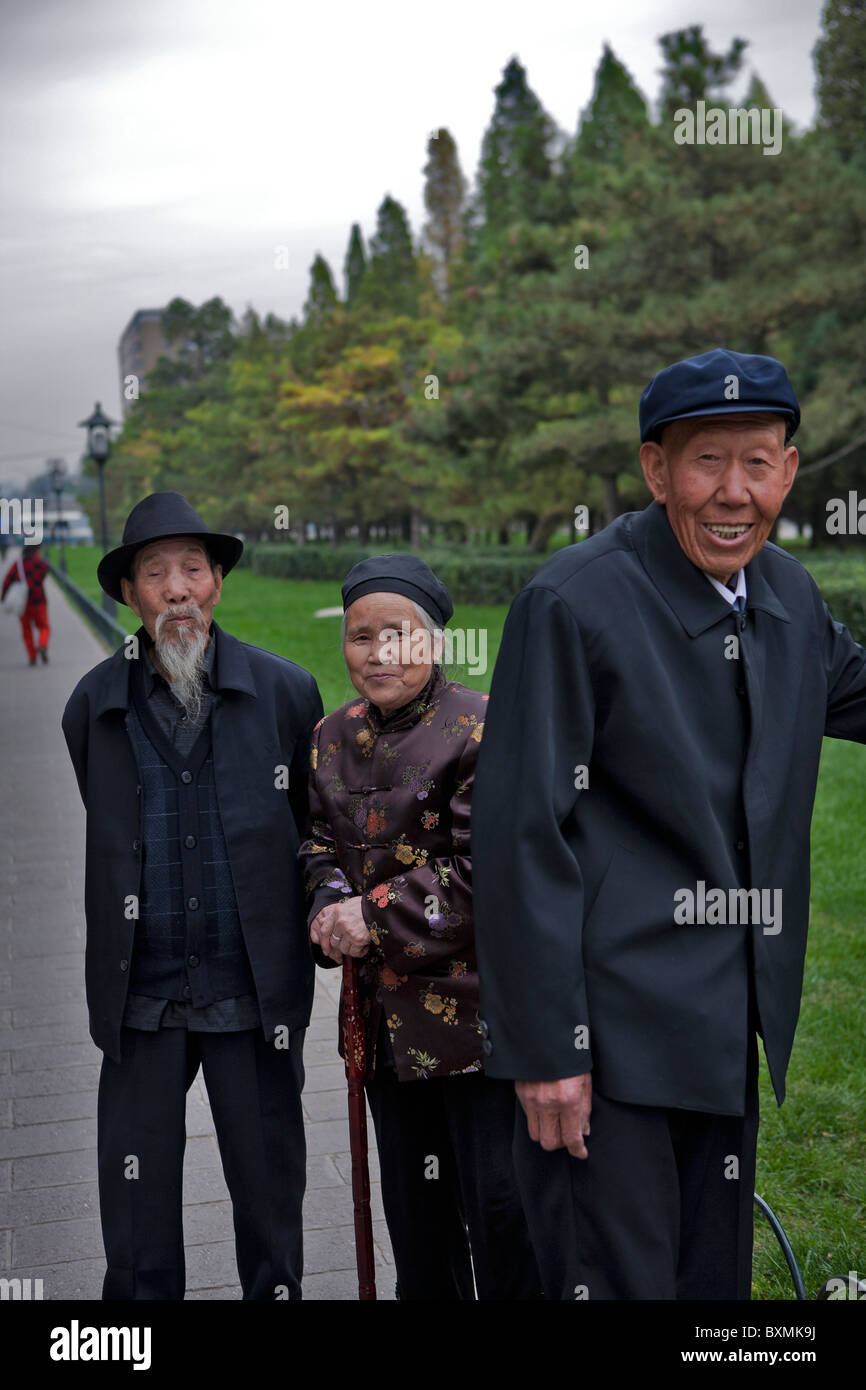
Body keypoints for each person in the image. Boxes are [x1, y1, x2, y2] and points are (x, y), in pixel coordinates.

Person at [471, 347, 866, 1300]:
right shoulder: (572, 602)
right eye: (706, 461)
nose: (736, 493)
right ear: (656, 470)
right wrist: (548, 1053)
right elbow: (521, 834)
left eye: (759, 462)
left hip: (726, 1032)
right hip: (609, 1047)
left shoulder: (790, 595)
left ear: (790, 469)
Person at [62, 491, 323, 1300]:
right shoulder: (92, 709)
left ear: (217, 583)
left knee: (271, 1205)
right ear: (131, 594)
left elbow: (311, 831)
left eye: (193, 568)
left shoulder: (286, 694)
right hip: (140, 998)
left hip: (251, 995)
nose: (177, 588)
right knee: (135, 1227)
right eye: (154, 572)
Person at [298, 554, 541, 1300]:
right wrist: (328, 908)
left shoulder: (482, 726)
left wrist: (369, 918)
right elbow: (314, 843)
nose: (379, 654)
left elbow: (486, 871)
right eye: (361, 637)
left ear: (434, 643)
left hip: (477, 1025)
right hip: (381, 1027)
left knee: (500, 1213)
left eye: (398, 635)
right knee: (415, 1217)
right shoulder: (329, 737)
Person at [2, 541, 50, 665]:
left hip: (22, 603)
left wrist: (3, 598)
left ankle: (32, 656)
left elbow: (7, 581)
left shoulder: (18, 564)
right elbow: (45, 571)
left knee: (26, 630)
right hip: (38, 600)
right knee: (44, 627)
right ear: (37, 550)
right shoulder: (39, 563)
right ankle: (42, 644)